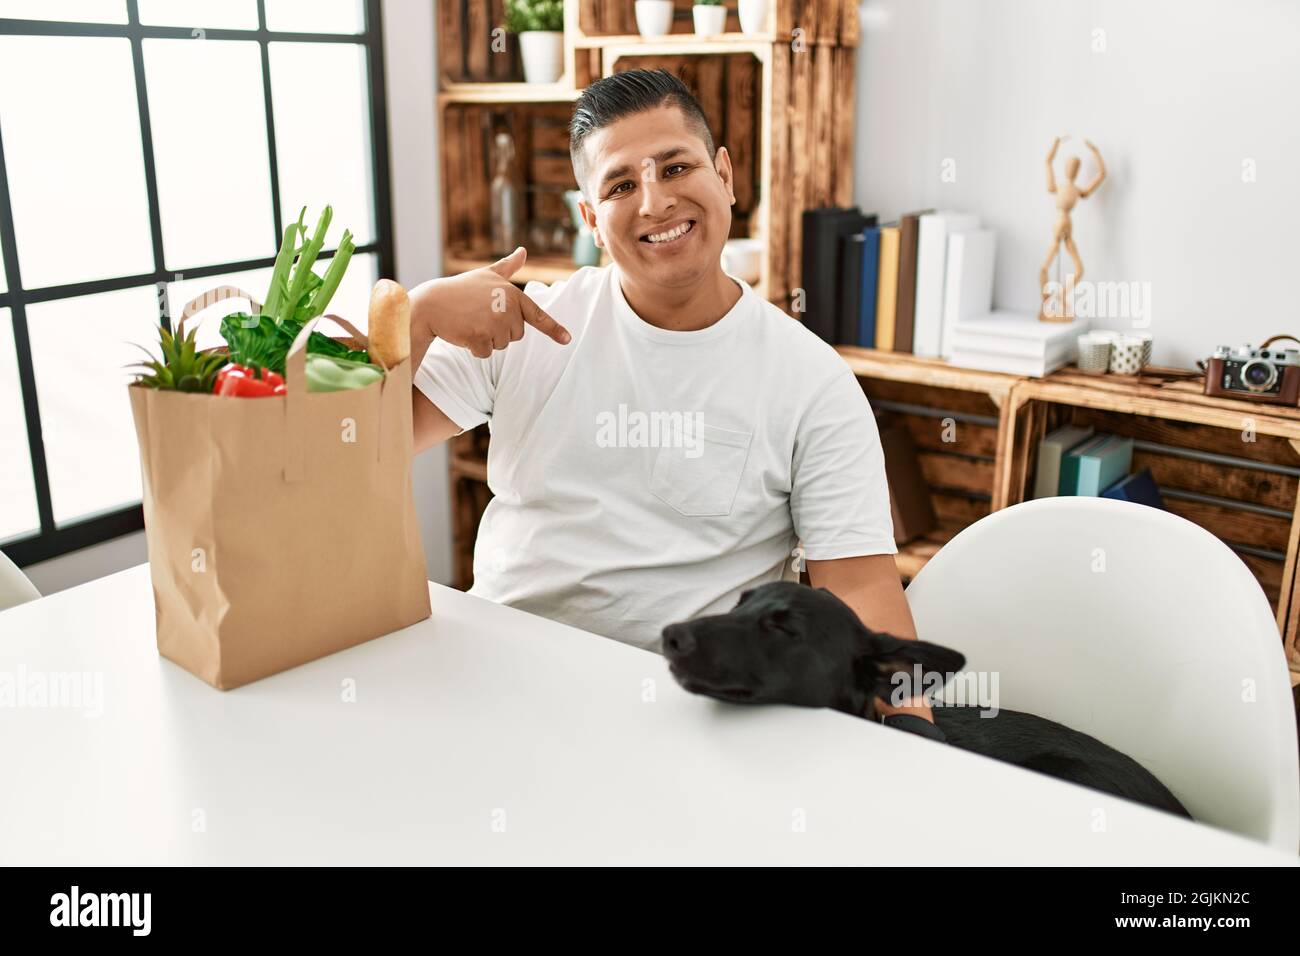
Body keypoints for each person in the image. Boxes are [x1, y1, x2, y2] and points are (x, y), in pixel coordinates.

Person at [406, 69, 936, 727]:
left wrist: (911, 736)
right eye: (622, 184)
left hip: (691, 703)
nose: (654, 202)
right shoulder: (526, 326)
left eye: (675, 167)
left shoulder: (811, 380)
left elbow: (859, 585)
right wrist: (415, 314)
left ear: (725, 176)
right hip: (504, 674)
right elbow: (358, 446)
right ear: (591, 219)